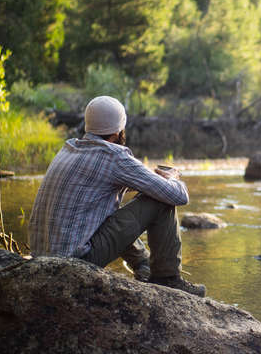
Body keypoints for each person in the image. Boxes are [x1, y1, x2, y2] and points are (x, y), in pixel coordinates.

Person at [28, 95, 205, 296]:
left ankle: (144, 265)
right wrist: (172, 178)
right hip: (75, 264)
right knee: (160, 201)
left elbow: (101, 185)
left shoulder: (69, 148)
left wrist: (146, 178)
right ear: (119, 130)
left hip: (41, 261)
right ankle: (168, 279)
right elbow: (178, 196)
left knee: (112, 207)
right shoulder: (115, 156)